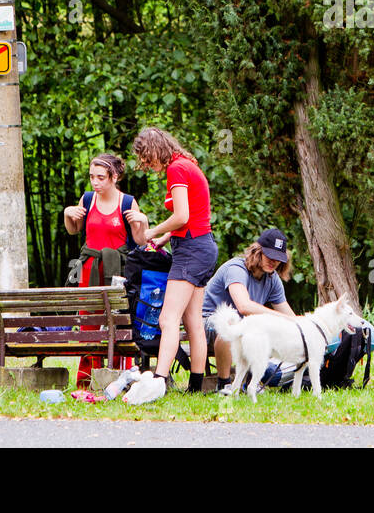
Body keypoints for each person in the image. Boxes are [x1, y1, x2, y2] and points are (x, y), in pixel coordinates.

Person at [130, 127, 217, 393]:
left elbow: (182, 216)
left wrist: (153, 231)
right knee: (192, 322)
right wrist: (166, 239)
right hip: (201, 246)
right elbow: (191, 217)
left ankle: (158, 380)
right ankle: (195, 387)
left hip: (192, 251)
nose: (146, 164)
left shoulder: (176, 169)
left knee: (167, 319)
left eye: (147, 158)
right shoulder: (186, 164)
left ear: (156, 149)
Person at [63, 153, 149, 388]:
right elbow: (74, 230)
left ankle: (119, 377)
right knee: (89, 322)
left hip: (118, 271)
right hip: (89, 270)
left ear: (114, 177)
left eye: (101, 177)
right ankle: (86, 379)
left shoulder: (127, 202)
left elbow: (141, 240)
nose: (95, 182)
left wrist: (143, 220)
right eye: (92, 177)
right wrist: (67, 214)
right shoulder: (88, 199)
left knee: (117, 322)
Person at [202, 229, 295, 391]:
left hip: (243, 326)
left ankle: (251, 382)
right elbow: (243, 306)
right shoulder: (236, 269)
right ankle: (224, 384)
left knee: (262, 327)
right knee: (231, 322)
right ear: (257, 252)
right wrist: (279, 318)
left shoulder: (272, 279)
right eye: (269, 256)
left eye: (278, 259)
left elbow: (289, 316)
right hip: (208, 322)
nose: (273, 261)